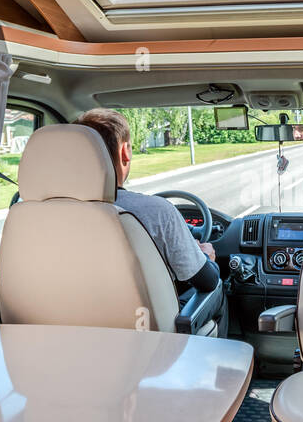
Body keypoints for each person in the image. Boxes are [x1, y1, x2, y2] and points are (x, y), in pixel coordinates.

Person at [76, 108, 219, 294]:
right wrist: (205, 256)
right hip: (141, 322)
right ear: (125, 151)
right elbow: (207, 282)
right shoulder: (158, 212)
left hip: (51, 323)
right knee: (217, 291)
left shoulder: (36, 219)